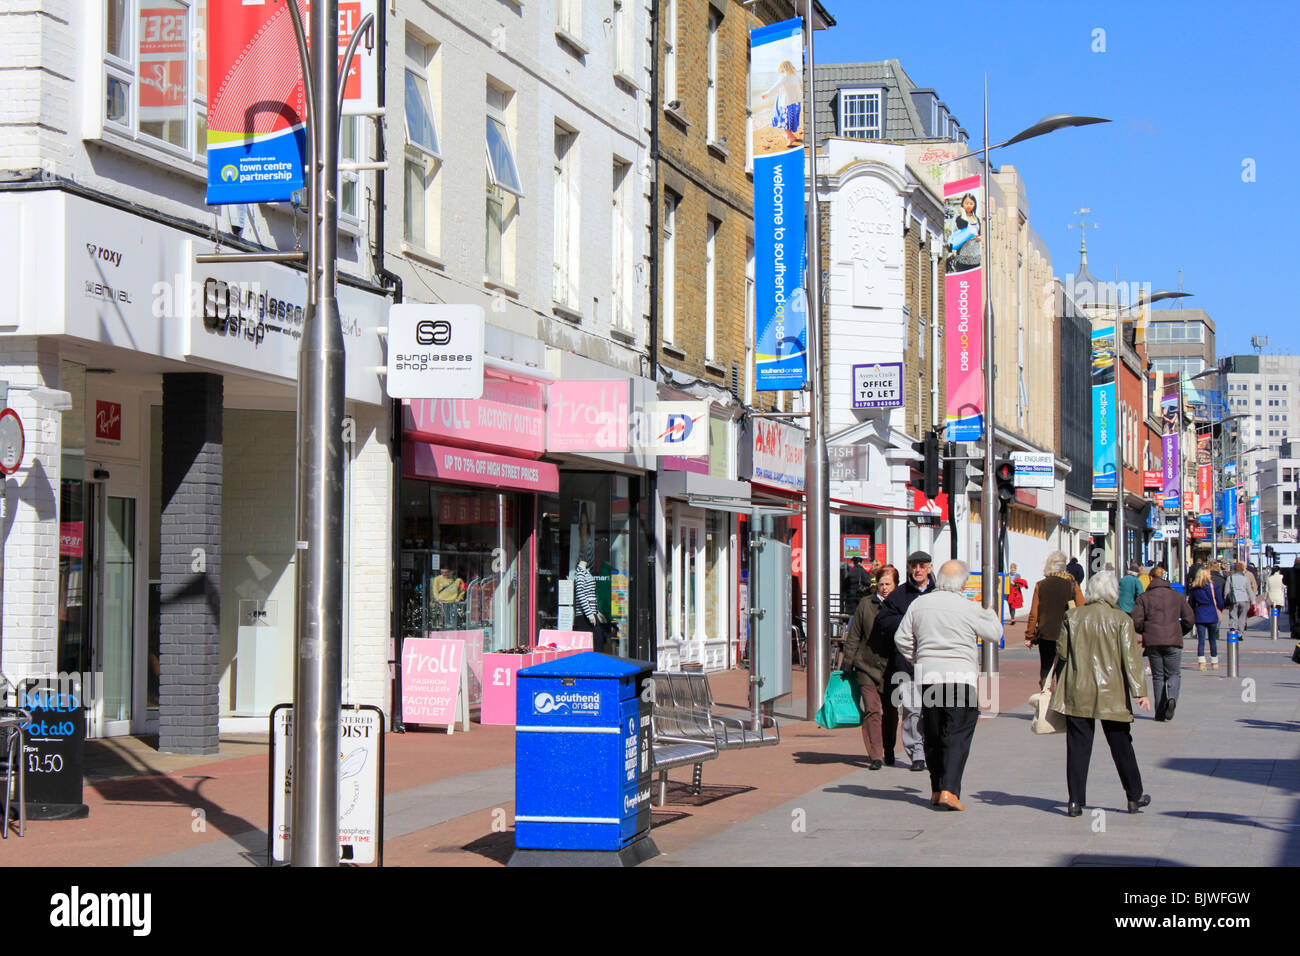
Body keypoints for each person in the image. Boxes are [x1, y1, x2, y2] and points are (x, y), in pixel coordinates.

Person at [894, 560, 1003, 811]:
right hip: (960, 678)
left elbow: (901, 638)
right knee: (957, 733)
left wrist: (918, 657)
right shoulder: (967, 607)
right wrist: (989, 612)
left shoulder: (920, 604)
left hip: (928, 677)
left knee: (932, 732)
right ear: (962, 583)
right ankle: (949, 790)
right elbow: (994, 634)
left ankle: (936, 788)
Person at [1050, 570, 1152, 817]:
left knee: (1077, 745)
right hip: (1112, 691)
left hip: (1078, 687)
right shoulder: (1121, 620)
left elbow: (1062, 651)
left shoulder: (1072, 616)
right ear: (1112, 592)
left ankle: (1075, 801)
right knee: (1121, 744)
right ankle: (1134, 796)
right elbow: (1131, 660)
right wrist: (1140, 691)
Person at [873, 551, 934, 771]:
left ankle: (931, 749)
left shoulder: (938, 593)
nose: (917, 570)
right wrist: (911, 619)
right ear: (909, 568)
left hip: (935, 665)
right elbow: (883, 621)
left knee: (934, 710)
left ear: (929, 568)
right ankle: (916, 753)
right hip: (906, 664)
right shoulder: (899, 595)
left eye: (922, 565)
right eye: (913, 566)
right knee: (912, 709)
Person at [841, 565, 898, 770]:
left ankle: (889, 747)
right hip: (865, 665)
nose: (884, 588)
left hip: (893, 667)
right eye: (881, 584)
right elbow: (854, 634)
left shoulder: (901, 605)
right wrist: (847, 661)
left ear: (895, 585)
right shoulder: (865, 604)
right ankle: (875, 754)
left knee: (891, 711)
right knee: (873, 710)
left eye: (888, 584)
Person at [1131, 565, 1194, 721]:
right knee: (1174, 674)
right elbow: (1189, 619)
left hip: (1153, 641)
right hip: (1173, 640)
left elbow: (1136, 621)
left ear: (1151, 579)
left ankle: (1159, 712)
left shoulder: (1144, 598)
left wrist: (1146, 630)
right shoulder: (1177, 596)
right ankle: (1172, 698)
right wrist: (1180, 631)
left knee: (1158, 676)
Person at [1024, 552, 1086, 682]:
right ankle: (1061, 698)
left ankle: (1046, 695)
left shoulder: (1041, 585)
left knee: (1046, 667)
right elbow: (1082, 606)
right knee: (1063, 668)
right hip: (1067, 633)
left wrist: (1029, 635)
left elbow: (1034, 614)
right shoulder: (1072, 583)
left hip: (1046, 633)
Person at [1187, 567, 1224, 672]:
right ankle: (1214, 662)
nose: (1210, 575)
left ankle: (1202, 663)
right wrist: (1219, 609)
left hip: (1200, 615)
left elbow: (1191, 604)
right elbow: (1220, 602)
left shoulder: (1194, 588)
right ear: (1206, 575)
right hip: (1212, 614)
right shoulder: (1214, 587)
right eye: (1209, 574)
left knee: (1201, 640)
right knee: (1212, 639)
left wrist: (1194, 611)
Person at [759, 60, 802, 147]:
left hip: (786, 102)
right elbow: (802, 87)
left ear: (782, 68)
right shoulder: (796, 76)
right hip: (796, 103)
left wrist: (766, 94)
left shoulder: (784, 77)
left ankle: (791, 137)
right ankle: (790, 135)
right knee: (790, 121)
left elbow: (775, 86)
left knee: (782, 120)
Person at [1223, 561, 1258, 639]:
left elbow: (1226, 591)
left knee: (1233, 615)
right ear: (1242, 570)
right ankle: (1240, 633)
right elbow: (1250, 591)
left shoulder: (1230, 578)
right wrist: (1254, 602)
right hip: (1244, 599)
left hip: (1234, 599)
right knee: (1242, 617)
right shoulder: (1245, 579)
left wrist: (1226, 600)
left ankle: (1233, 627)